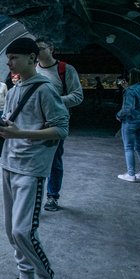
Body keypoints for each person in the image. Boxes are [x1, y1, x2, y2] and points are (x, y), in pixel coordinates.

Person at [0, 37, 69, 279]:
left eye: (14, 58)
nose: (9, 63)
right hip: (9, 164)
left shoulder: (46, 90)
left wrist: (20, 135)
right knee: (9, 229)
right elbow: (10, 125)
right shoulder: (15, 89)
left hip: (32, 168)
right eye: (8, 59)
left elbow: (61, 129)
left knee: (23, 231)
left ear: (31, 58)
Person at [35, 38, 84, 211]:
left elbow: (77, 96)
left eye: (41, 48)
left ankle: (52, 196)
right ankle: (34, 196)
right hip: (34, 123)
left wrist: (52, 101)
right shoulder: (31, 69)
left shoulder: (65, 70)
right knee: (34, 160)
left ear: (51, 49)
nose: (38, 52)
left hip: (55, 121)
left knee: (54, 160)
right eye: (36, 49)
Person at [116, 69, 140, 182]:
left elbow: (128, 108)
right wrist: (127, 88)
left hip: (131, 121)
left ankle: (131, 174)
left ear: (133, 77)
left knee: (128, 147)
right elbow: (138, 100)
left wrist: (118, 115)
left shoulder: (130, 90)